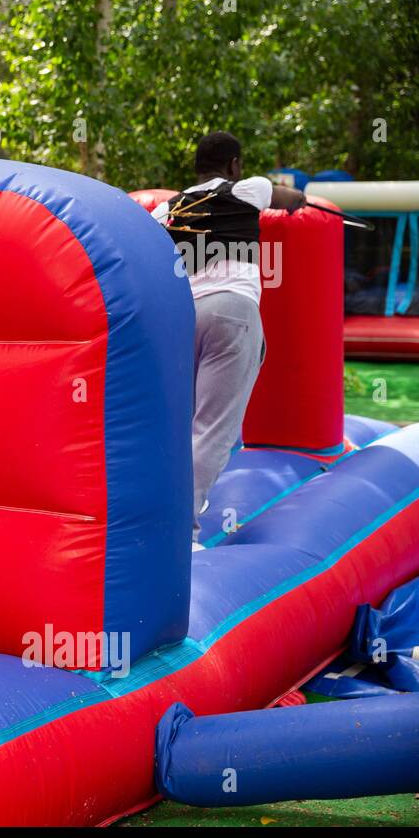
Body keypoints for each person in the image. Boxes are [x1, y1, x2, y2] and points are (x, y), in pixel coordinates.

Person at [150, 131, 306, 549]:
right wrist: (301, 204)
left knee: (192, 428)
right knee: (213, 431)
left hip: (183, 319)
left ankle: (169, 512)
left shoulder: (168, 207)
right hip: (232, 313)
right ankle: (181, 534)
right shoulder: (247, 188)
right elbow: (290, 198)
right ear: (234, 165)